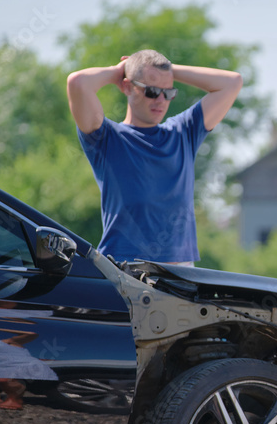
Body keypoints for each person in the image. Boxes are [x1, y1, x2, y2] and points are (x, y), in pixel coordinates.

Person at [66, 50, 243, 264]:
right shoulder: (106, 138)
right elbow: (77, 83)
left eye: (167, 93)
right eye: (151, 91)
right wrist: (119, 71)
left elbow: (233, 82)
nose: (160, 100)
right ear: (127, 86)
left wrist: (169, 70)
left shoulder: (183, 132)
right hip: (124, 268)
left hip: (181, 273)